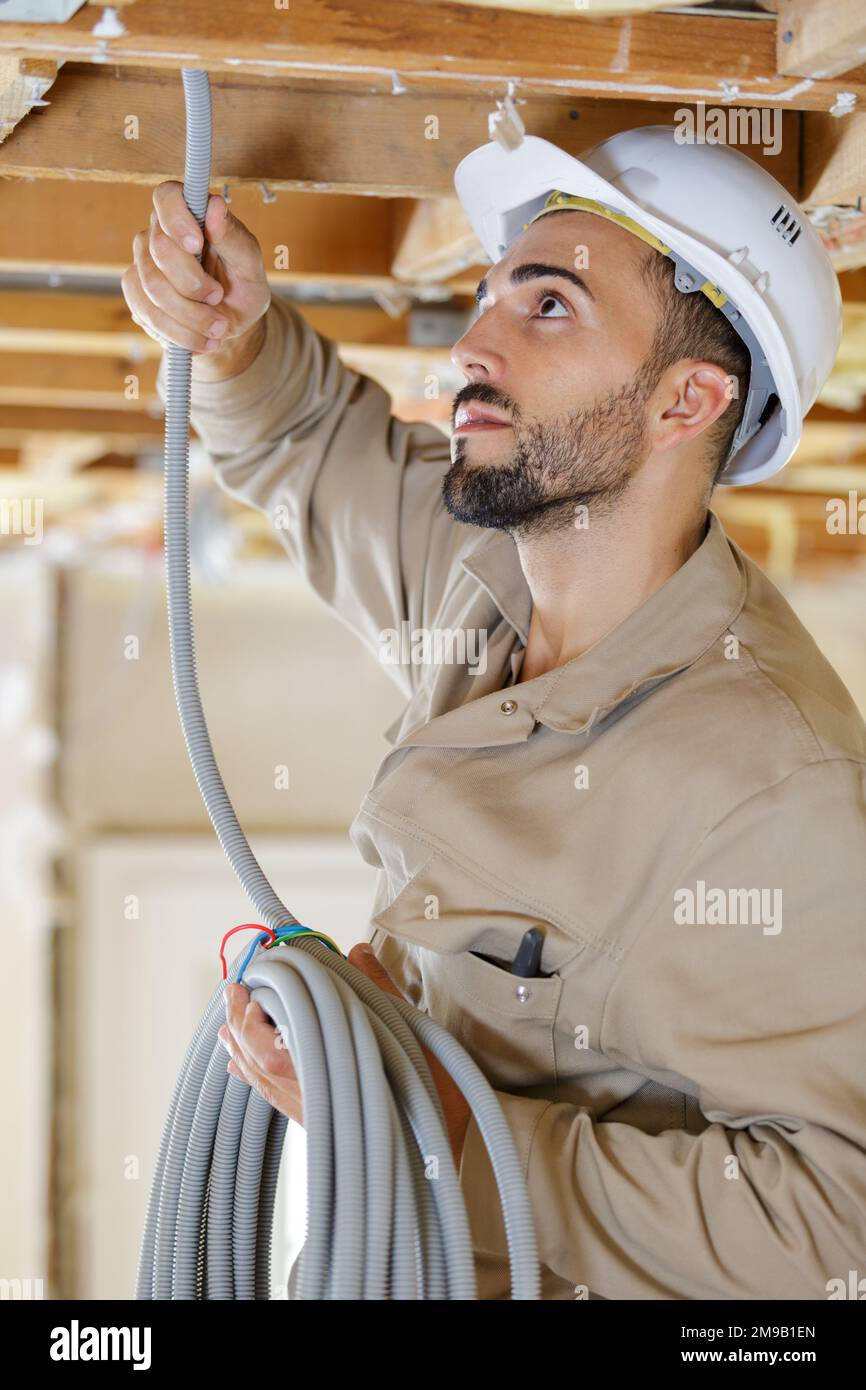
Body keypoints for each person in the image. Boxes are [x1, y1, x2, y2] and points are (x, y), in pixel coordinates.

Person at [122, 127, 866, 1300]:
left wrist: (436, 1129)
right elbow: (308, 437)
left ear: (687, 399)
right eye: (487, 294)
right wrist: (230, 335)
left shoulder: (767, 787)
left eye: (548, 306)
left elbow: (835, 1230)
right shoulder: (500, 572)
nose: (472, 344)